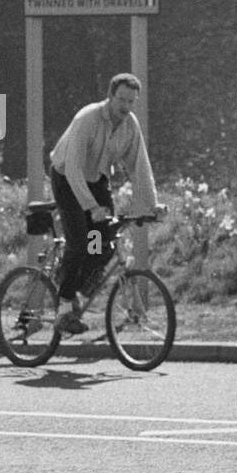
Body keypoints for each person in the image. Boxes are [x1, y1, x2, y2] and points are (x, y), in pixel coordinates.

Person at [48, 73, 158, 334]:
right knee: (79, 242)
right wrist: (91, 207)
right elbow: (73, 168)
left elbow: (139, 167)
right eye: (121, 99)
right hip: (67, 178)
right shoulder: (88, 118)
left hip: (96, 180)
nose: (126, 106)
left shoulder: (130, 125)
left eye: (131, 101)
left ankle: (75, 287)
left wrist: (153, 206)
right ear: (110, 96)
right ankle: (64, 307)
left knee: (105, 241)